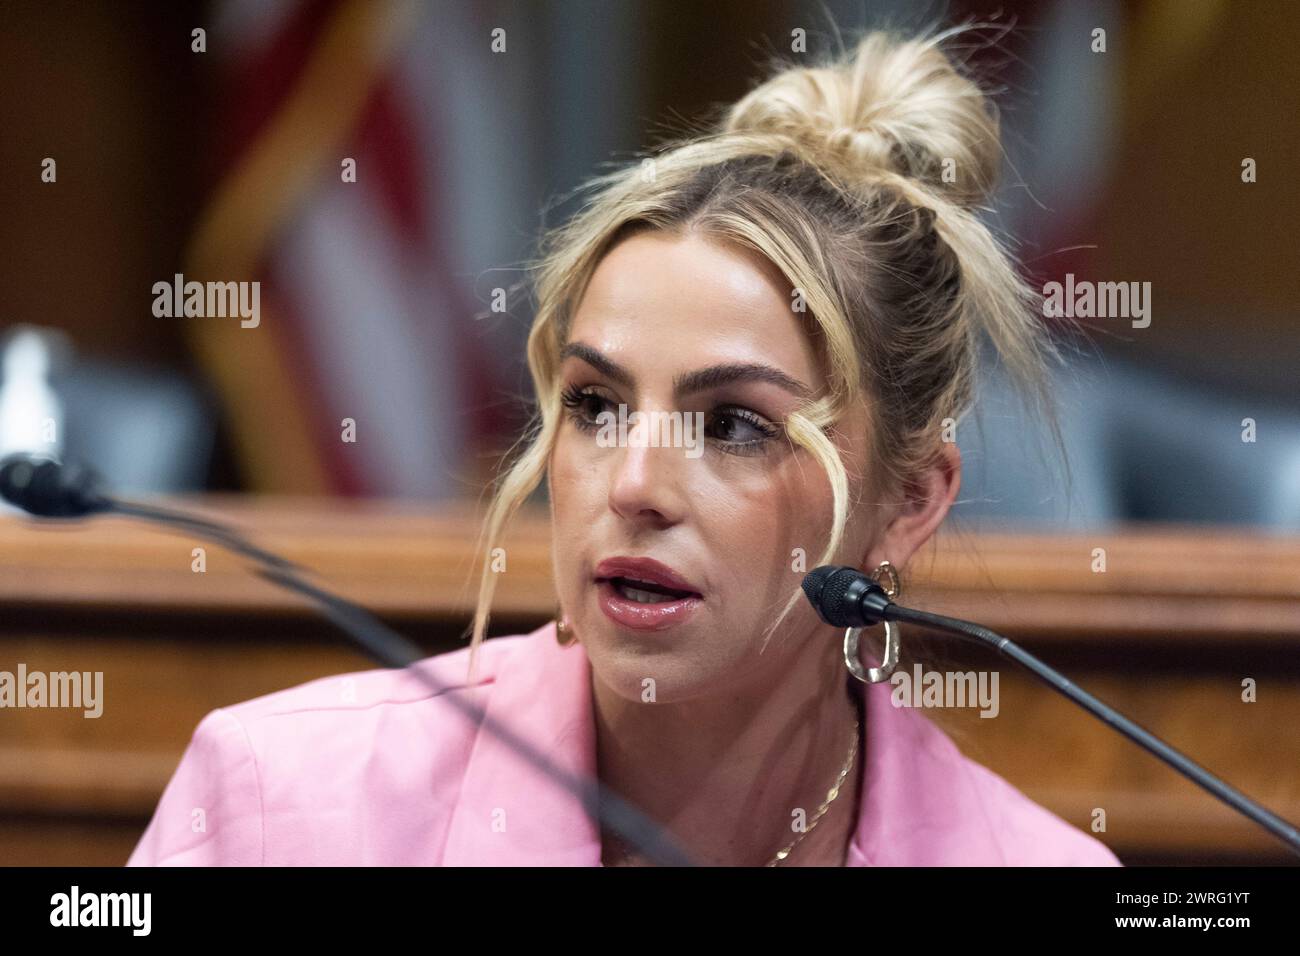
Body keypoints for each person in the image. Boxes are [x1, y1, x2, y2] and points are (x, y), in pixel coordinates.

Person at [128, 27, 1120, 867]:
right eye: (596, 405)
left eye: (733, 423)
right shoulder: (276, 809)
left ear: (907, 501)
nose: (634, 486)